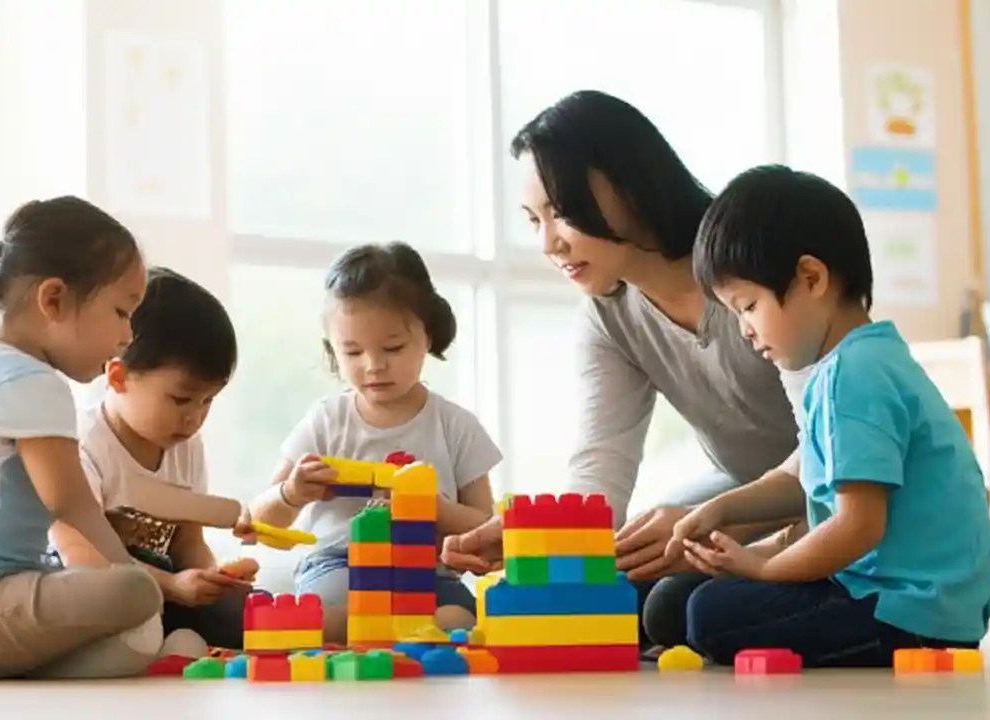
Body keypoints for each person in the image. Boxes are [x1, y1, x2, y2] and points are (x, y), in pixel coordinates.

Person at [441, 90, 803, 648]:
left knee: (675, 601)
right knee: (626, 579)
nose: (547, 243)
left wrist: (710, 522)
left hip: (840, 488)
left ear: (628, 183)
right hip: (741, 493)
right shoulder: (608, 317)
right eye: (533, 219)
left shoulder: (749, 266)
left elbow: (838, 440)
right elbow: (600, 475)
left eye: (560, 211)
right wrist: (538, 540)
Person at [0, 197, 253, 680]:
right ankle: (139, 647)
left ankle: (137, 649)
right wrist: (146, 588)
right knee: (134, 593)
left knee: (125, 600)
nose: (128, 335)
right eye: (122, 312)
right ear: (54, 300)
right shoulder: (29, 382)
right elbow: (72, 504)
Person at [674, 164, 990, 665]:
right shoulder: (858, 362)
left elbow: (857, 526)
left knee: (706, 613)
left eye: (749, 306)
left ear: (810, 278)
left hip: (908, 612)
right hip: (905, 599)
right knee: (682, 603)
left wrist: (764, 568)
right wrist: (725, 509)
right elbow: (810, 478)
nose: (745, 331)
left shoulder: (854, 375)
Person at [251, 242, 500, 643]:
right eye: (352, 351)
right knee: (334, 620)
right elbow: (260, 522)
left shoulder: (455, 425)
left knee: (458, 620)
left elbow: (486, 530)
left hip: (429, 571)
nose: (373, 365)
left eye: (392, 348)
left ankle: (403, 639)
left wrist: (433, 509)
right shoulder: (327, 420)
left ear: (427, 336)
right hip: (339, 564)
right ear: (332, 349)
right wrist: (291, 492)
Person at [51, 267, 255, 652]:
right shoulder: (83, 444)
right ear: (118, 377)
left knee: (243, 613)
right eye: (180, 399)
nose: (194, 417)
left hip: (164, 588)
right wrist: (172, 587)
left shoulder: (186, 444)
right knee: (119, 602)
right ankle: (154, 646)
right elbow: (83, 556)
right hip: (96, 579)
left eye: (208, 400)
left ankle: (169, 644)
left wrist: (213, 579)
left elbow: (187, 544)